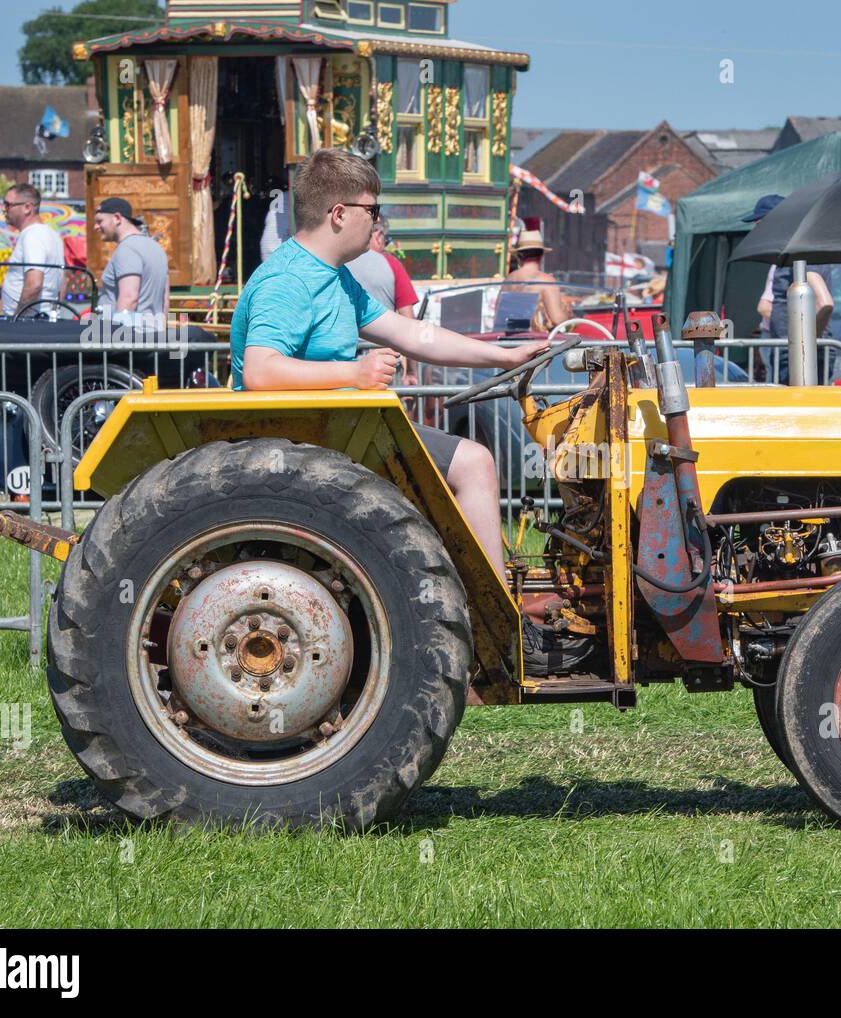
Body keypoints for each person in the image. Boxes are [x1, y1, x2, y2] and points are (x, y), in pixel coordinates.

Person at [229, 148, 588, 676]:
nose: (379, 223)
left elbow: (414, 334)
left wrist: (505, 355)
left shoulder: (333, 277)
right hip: (305, 445)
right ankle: (497, 628)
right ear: (340, 213)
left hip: (336, 433)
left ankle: (491, 616)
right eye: (373, 212)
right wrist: (351, 374)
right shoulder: (289, 280)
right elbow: (260, 371)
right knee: (473, 464)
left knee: (471, 462)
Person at [742, 194, 834, 382]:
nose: (756, 230)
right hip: (792, 350)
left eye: (760, 224)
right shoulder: (794, 253)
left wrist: (805, 342)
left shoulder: (800, 253)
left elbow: (825, 304)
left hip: (795, 354)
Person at [92, 198, 170, 320]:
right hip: (151, 332)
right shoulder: (157, 248)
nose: (95, 227)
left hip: (128, 334)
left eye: (100, 221)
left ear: (117, 218)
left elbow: (129, 298)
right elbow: (164, 301)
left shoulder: (127, 249)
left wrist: (116, 335)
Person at [0, 183, 64, 317]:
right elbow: (64, 281)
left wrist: (17, 317)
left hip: (28, 323)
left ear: (27, 208)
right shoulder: (52, 234)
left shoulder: (33, 235)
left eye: (7, 204)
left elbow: (34, 283)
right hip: (39, 319)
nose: (3, 209)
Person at [344, 214, 417, 318]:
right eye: (385, 238)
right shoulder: (392, 264)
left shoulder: (339, 260)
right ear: (378, 236)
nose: (385, 244)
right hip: (383, 333)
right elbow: (408, 317)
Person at [503, 223, 570, 332]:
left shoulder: (508, 280)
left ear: (519, 256)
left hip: (505, 341)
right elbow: (558, 320)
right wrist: (567, 315)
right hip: (530, 342)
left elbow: (499, 314)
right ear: (541, 255)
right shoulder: (545, 280)